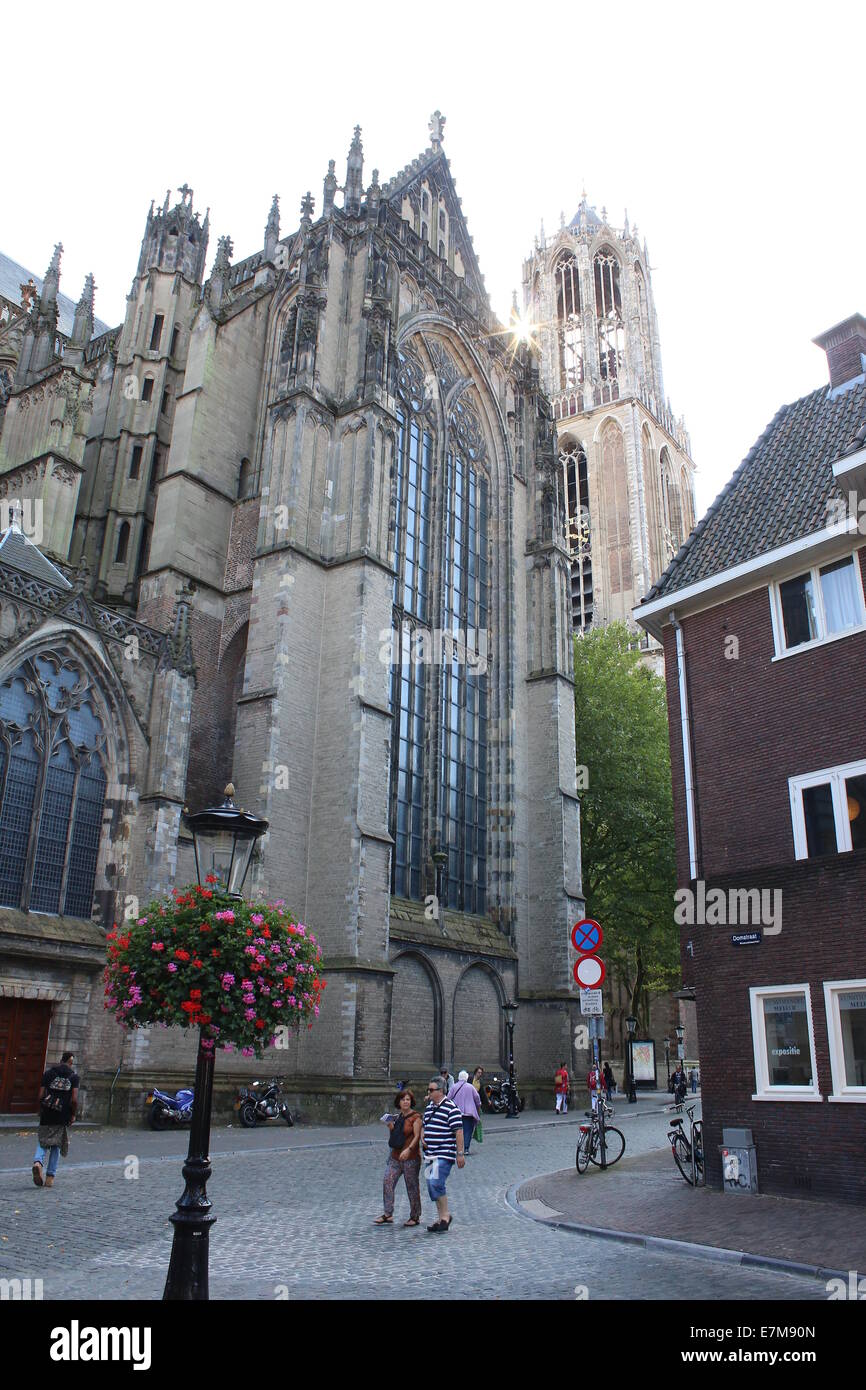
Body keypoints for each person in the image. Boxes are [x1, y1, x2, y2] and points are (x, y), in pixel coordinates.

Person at [422, 1074, 464, 1233]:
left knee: (436, 1182)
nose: (428, 1092)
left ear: (441, 1091)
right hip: (430, 1154)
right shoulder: (429, 1108)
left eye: (431, 1090)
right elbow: (425, 1125)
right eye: (428, 1089)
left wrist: (460, 1154)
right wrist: (423, 1137)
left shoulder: (451, 1108)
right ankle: (441, 1218)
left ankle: (445, 1216)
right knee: (431, 1186)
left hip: (444, 1154)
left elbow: (458, 1131)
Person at [374, 1088, 422, 1226]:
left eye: (408, 1099)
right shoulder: (398, 1117)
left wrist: (409, 1150)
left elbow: (417, 1136)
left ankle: (415, 1216)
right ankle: (388, 1213)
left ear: (411, 1101)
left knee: (412, 1187)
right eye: (403, 1099)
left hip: (411, 1158)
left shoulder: (416, 1117)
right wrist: (391, 1127)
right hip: (395, 1156)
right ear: (398, 1102)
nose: (405, 1102)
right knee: (387, 1181)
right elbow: (396, 1136)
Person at [32, 1051, 79, 1189]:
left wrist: (40, 1109)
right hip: (62, 1113)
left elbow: (40, 1095)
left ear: (61, 1060)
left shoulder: (48, 1074)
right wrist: (73, 1115)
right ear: (71, 1062)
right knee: (56, 1144)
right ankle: (50, 1178)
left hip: (47, 1111)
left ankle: (37, 1162)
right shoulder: (74, 1077)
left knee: (43, 1140)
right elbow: (74, 1100)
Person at [448, 1069, 481, 1154]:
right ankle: (466, 1148)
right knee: (467, 1131)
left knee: (457, 1130)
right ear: (466, 1078)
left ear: (459, 1078)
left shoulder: (454, 1087)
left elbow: (448, 1098)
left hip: (456, 1113)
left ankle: (458, 1148)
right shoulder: (471, 1087)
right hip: (469, 1113)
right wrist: (478, 1106)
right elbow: (477, 1098)